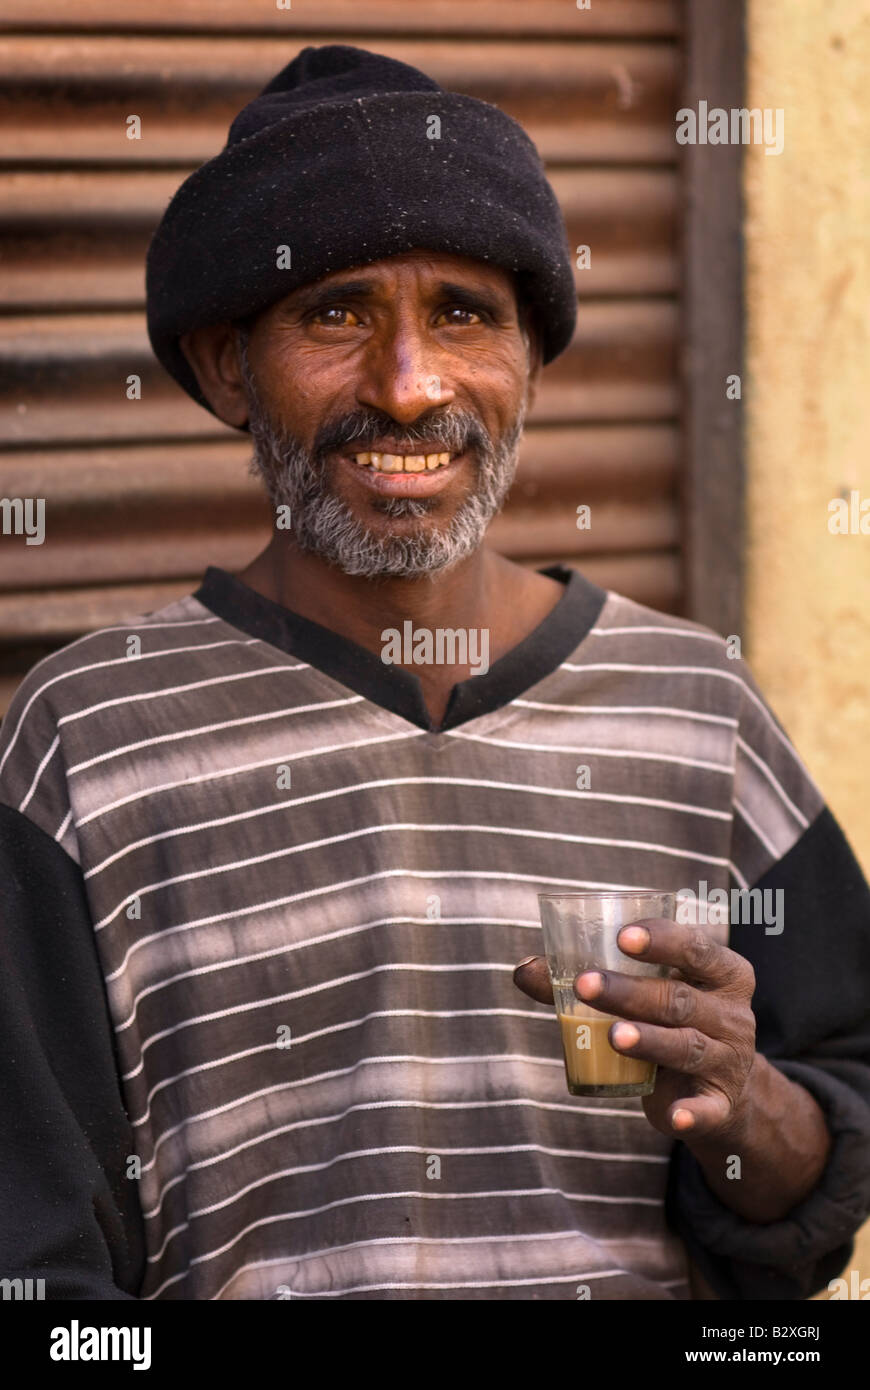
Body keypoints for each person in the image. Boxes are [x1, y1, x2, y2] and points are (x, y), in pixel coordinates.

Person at [1, 43, 868, 1303]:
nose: (410, 389)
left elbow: (816, 1162)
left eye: (464, 313)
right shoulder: (85, 738)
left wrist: (745, 1108)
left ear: (527, 358)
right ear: (231, 365)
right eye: (336, 312)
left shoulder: (699, 708)